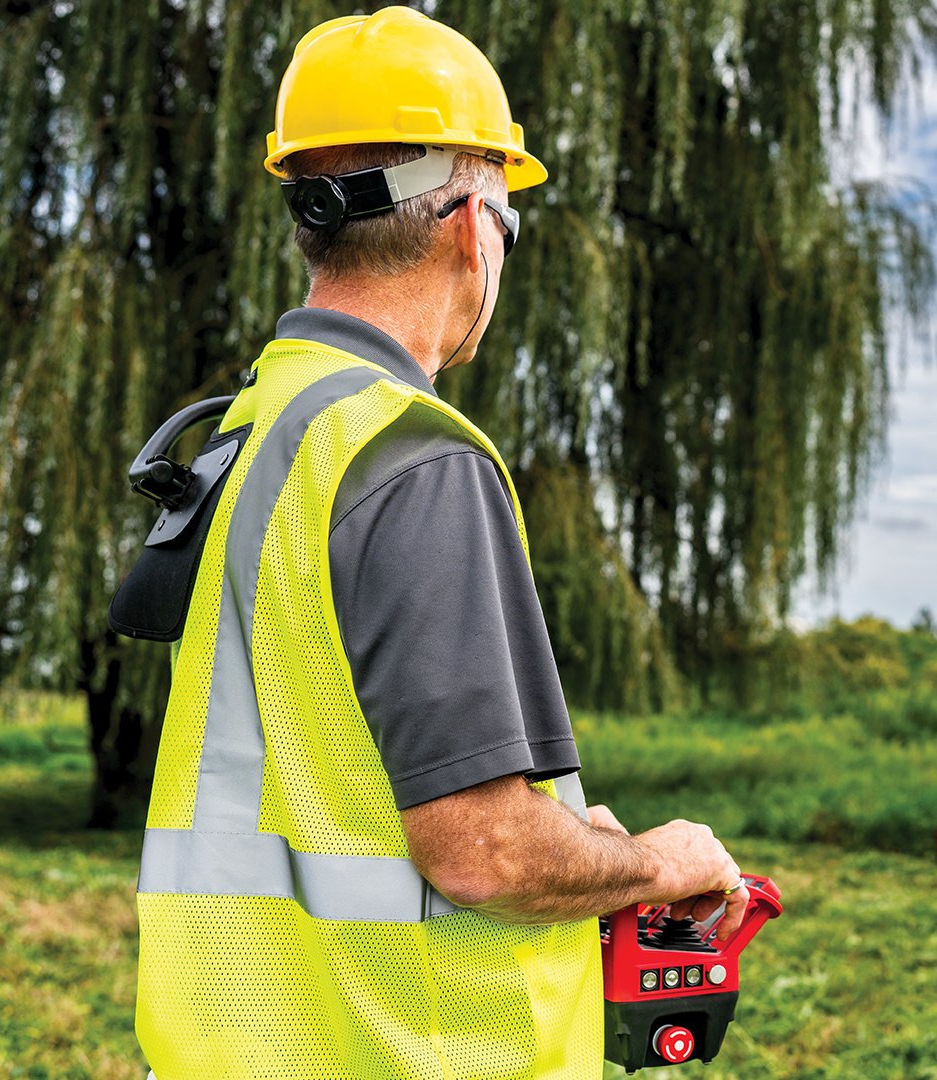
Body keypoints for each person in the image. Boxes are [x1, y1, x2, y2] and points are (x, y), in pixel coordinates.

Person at [132, 9, 746, 1077]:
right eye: (511, 221)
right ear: (472, 228)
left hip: (243, 1042)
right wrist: (657, 862)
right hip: (406, 1053)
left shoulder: (257, 429)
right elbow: (484, 852)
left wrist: (577, 845)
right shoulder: (411, 454)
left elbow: (319, 767)